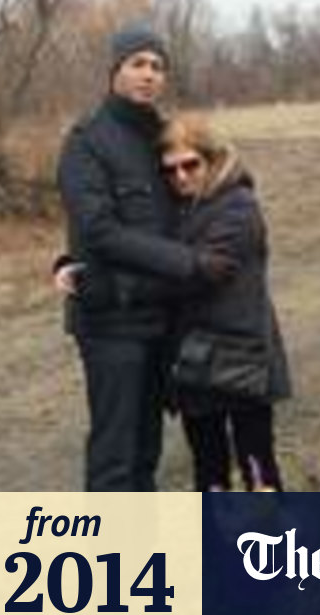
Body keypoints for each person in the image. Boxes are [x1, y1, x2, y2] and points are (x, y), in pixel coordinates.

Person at [55, 23, 238, 492]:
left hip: (162, 318)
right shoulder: (87, 142)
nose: (149, 74)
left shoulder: (164, 137)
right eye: (137, 63)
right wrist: (187, 263)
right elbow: (99, 229)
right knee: (116, 457)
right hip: (111, 321)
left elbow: (216, 178)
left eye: (158, 66)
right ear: (115, 71)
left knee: (146, 452)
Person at [158, 114, 292, 492]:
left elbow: (206, 270)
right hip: (193, 359)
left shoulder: (238, 206)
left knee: (257, 465)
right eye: (171, 170)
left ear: (212, 159)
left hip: (239, 354)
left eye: (190, 165)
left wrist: (146, 266)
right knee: (208, 469)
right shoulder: (173, 209)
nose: (181, 177)